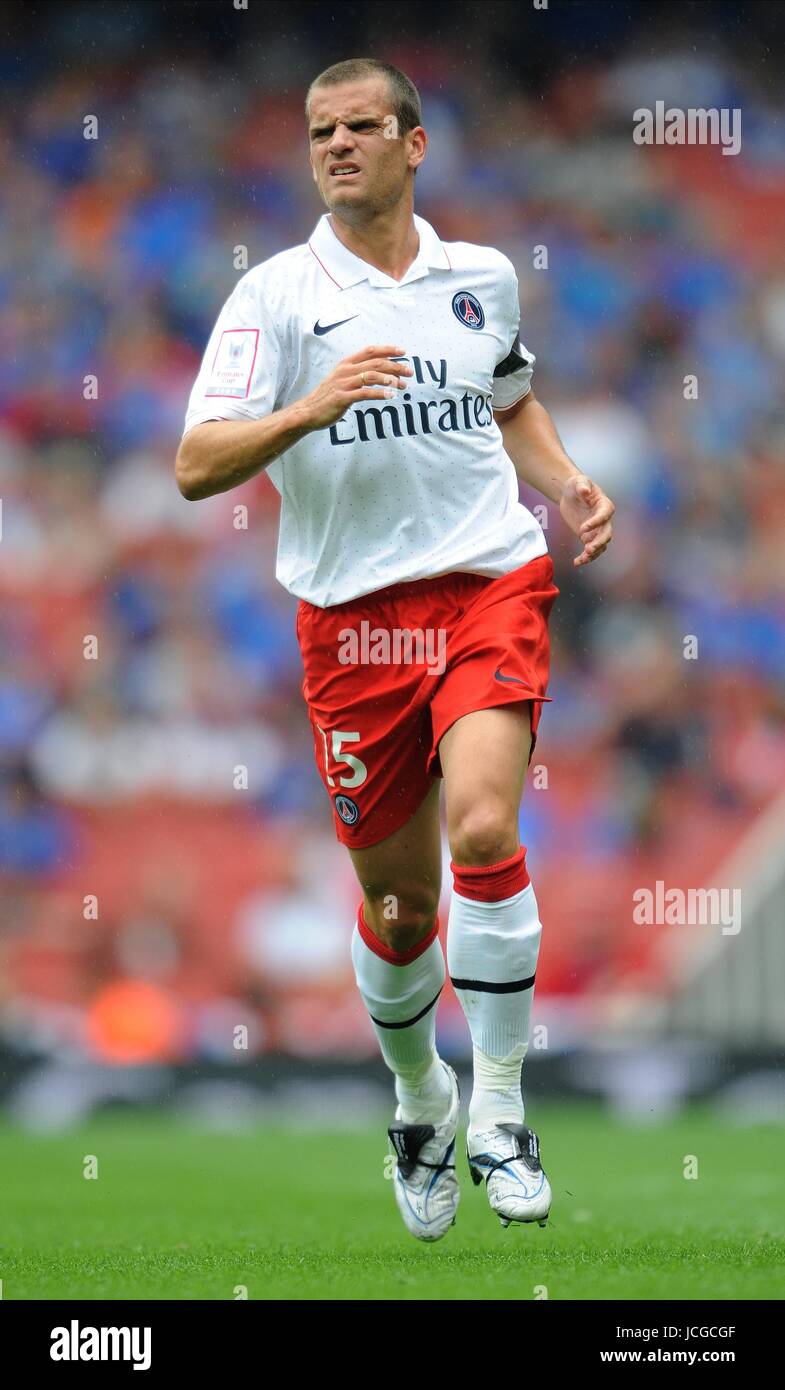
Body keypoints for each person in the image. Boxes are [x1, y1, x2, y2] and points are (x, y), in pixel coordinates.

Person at [176, 57, 615, 1241]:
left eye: (360, 126)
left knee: (484, 823)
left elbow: (507, 396)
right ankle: (420, 1094)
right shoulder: (272, 296)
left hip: (485, 579)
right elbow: (194, 463)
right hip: (351, 624)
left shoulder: (478, 279)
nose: (335, 145)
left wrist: (566, 480)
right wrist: (301, 413)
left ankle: (503, 1108)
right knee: (403, 907)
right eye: (319, 130)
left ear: (413, 144)